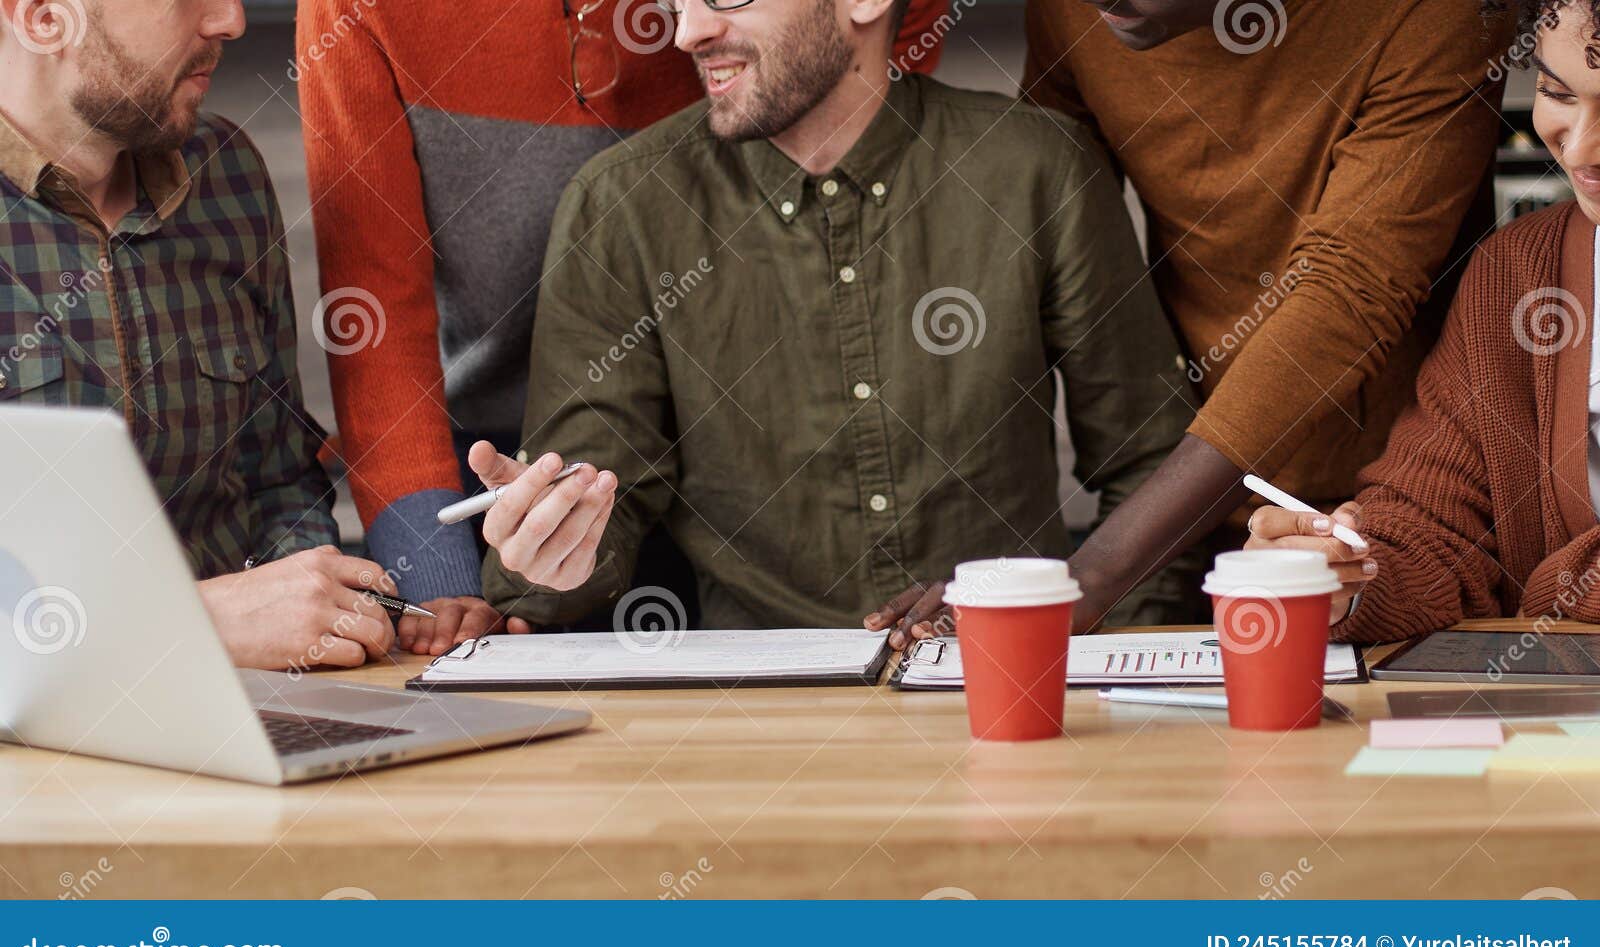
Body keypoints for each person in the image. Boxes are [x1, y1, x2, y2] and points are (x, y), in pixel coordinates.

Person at [469, 0, 1197, 631]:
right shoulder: (622, 207)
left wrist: (1093, 669)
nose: (687, 32)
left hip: (1008, 689)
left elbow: (1152, 466)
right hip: (754, 714)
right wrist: (551, 555)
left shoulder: (1037, 167)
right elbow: (594, 517)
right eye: (677, 1)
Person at [296, 0, 952, 654]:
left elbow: (864, 69)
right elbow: (377, 310)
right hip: (497, 464)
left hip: (732, 435)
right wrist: (438, 584)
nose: (687, 30)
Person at [872, 0, 1516, 643]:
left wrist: (1092, 574)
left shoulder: (1436, 14)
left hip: (1398, 516)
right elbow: (1051, 216)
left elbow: (1351, 287)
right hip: (1180, 510)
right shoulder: (1076, 13)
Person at [0, 0, 402, 670]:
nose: (230, 21)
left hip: (255, 701)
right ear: (43, 18)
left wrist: (328, 618)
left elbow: (278, 477)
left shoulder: (226, 173)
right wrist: (192, 623)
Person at [1247, 0, 1600, 642]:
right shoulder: (1517, 273)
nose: (1581, 146)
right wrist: (1347, 575)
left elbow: (1557, 590)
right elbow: (1439, 524)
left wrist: (1557, 589)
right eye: (1557, 93)